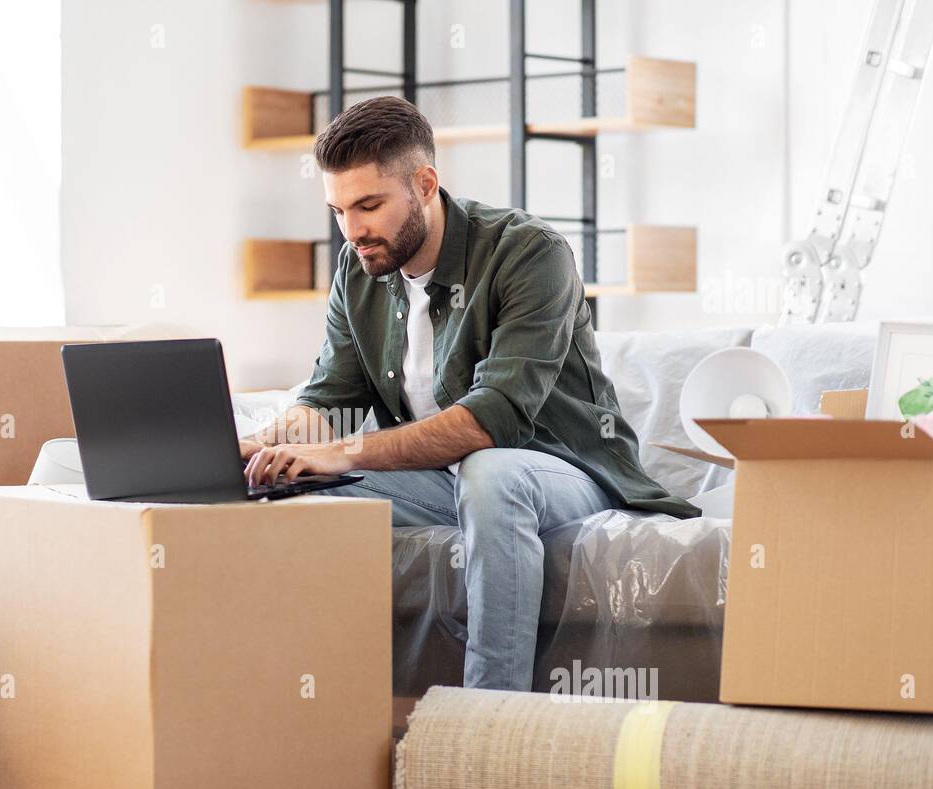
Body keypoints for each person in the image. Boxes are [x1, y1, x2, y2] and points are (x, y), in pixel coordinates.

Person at [242, 96, 698, 692]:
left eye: (369, 206)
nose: (352, 231)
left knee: (491, 473)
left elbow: (493, 420)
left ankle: (490, 716)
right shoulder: (360, 271)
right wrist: (257, 444)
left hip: (565, 470)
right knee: (275, 485)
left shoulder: (528, 252)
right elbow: (329, 399)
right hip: (440, 477)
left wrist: (348, 454)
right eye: (338, 211)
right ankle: (318, 707)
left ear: (425, 184)